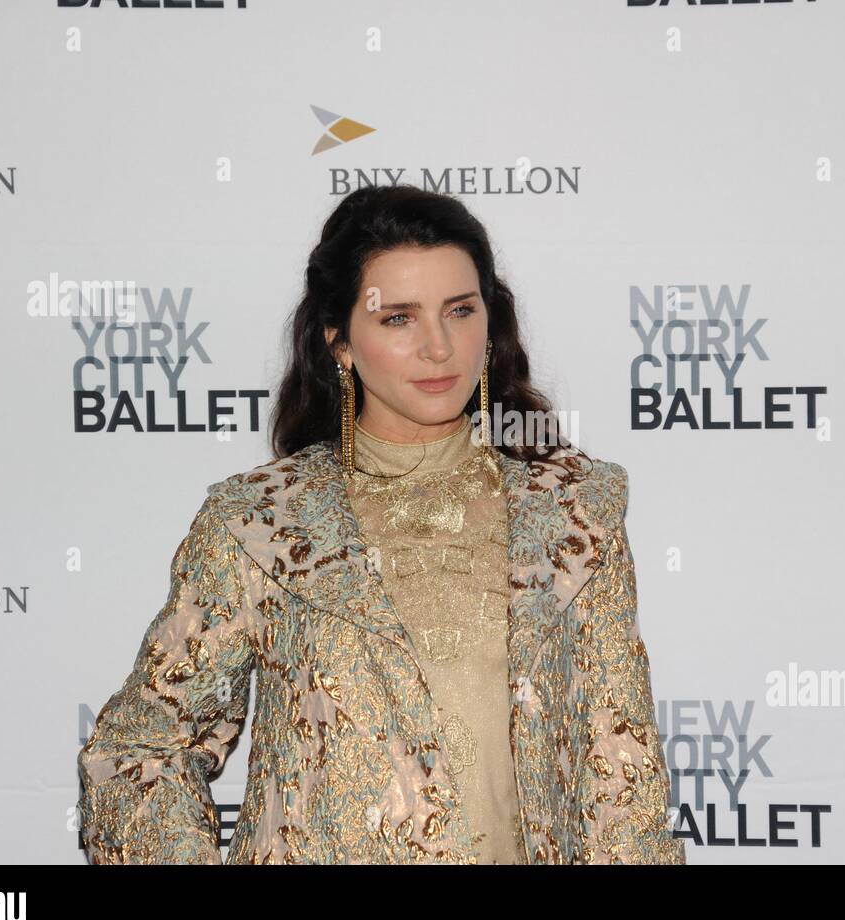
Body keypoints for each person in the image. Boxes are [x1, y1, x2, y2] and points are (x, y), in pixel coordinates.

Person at [76, 185, 684, 864]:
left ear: (492, 320)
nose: (439, 346)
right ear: (338, 339)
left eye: (461, 310)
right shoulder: (259, 524)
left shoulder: (576, 515)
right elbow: (138, 750)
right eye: (398, 318)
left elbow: (622, 775)